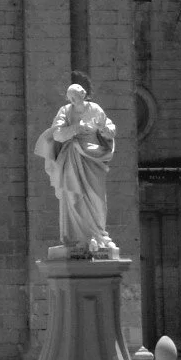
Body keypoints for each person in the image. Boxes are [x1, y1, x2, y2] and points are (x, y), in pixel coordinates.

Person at [34, 83, 120, 257]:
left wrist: (103, 129)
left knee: (97, 198)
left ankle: (99, 234)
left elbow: (111, 129)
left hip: (94, 157)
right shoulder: (65, 111)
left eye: (76, 96)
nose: (74, 100)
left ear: (83, 94)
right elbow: (57, 134)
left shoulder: (95, 109)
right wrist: (75, 129)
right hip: (73, 156)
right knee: (73, 195)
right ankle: (77, 237)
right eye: (71, 98)